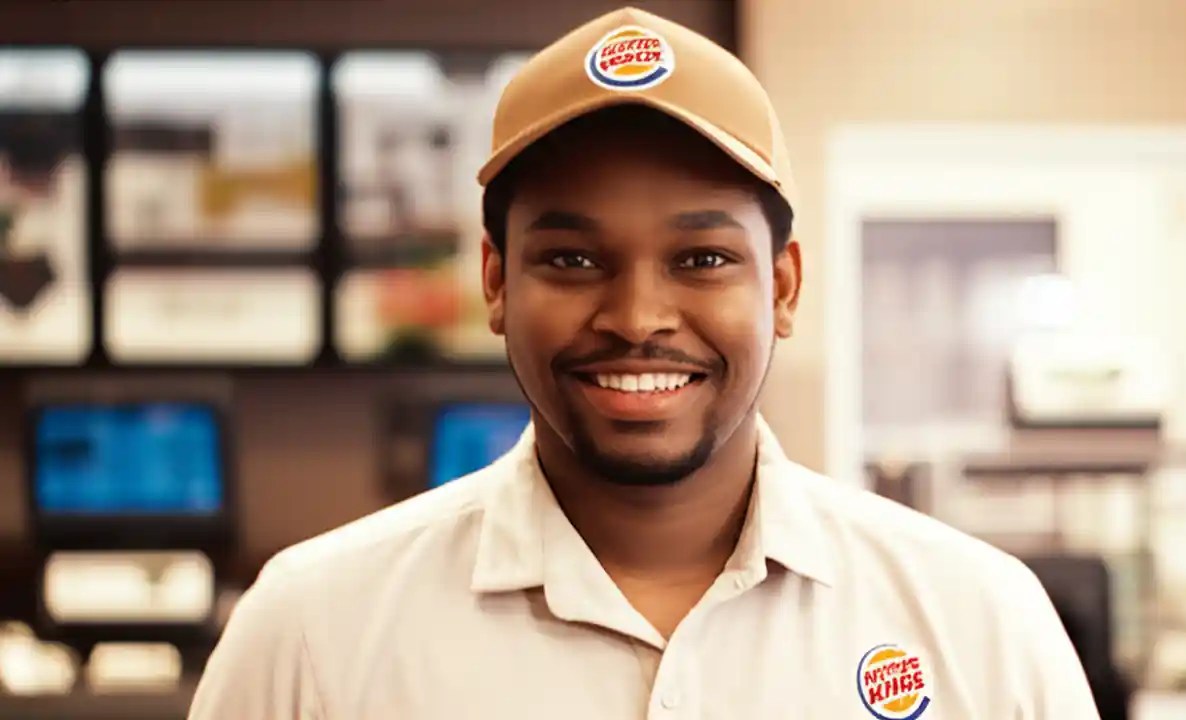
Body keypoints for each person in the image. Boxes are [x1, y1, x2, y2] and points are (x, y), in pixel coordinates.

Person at [188, 7, 1101, 719]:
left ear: (783, 286)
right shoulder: (312, 632)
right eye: (573, 259)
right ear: (496, 279)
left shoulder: (978, 623)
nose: (637, 319)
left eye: (701, 259)